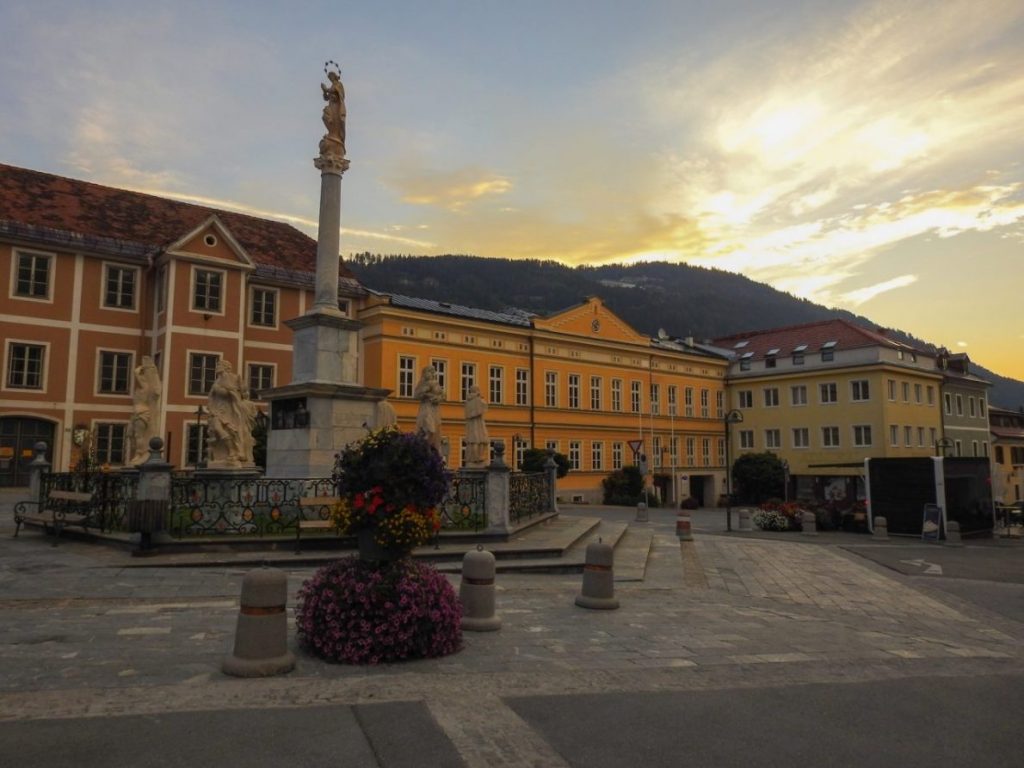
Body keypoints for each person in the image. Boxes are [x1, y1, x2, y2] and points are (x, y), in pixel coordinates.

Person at [206, 360, 257, 466]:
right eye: (218, 365)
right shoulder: (217, 381)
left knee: (230, 430)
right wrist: (211, 408)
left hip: (230, 410)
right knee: (217, 428)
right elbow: (211, 396)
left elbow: (239, 392)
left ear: (226, 367)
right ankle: (230, 451)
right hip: (218, 409)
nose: (217, 367)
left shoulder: (233, 378)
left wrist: (226, 390)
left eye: (220, 365)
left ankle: (233, 452)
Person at [128, 356, 161, 464]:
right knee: (132, 435)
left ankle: (139, 453)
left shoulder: (147, 389)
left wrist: (139, 371)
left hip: (142, 414)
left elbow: (140, 378)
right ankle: (138, 453)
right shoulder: (142, 390)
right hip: (137, 414)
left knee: (138, 435)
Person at [414, 365, 444, 452]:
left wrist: (437, 398)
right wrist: (424, 391)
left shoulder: (435, 383)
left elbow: (442, 395)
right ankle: (425, 439)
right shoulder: (421, 383)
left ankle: (433, 447)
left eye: (432, 372)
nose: (431, 374)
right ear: (424, 373)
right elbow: (416, 396)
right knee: (425, 424)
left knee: (434, 428)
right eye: (429, 371)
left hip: (434, 408)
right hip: (425, 406)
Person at [464, 385, 489, 467]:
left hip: (471, 423)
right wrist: (480, 397)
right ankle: (478, 457)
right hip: (478, 422)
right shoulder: (478, 400)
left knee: (474, 440)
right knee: (479, 440)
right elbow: (484, 408)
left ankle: (473, 458)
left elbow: (467, 413)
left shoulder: (467, 401)